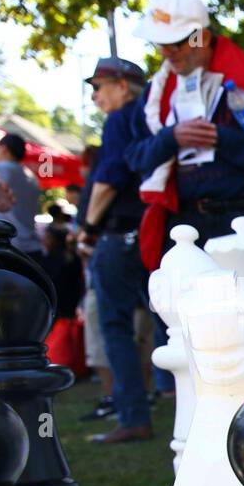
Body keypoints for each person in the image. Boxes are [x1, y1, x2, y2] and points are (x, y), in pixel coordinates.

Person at [126, 0, 244, 265]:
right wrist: (170, 138)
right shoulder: (156, 95)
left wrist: (222, 139)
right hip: (185, 227)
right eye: (160, 43)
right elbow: (134, 158)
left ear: (203, 37)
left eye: (175, 43)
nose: (166, 52)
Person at [78, 55, 164, 444]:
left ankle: (133, 416)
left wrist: (87, 228)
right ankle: (183, 402)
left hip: (119, 236)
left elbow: (109, 179)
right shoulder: (148, 119)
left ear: (121, 85)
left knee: (115, 326)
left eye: (98, 86)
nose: (95, 95)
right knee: (165, 323)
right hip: (148, 233)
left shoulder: (119, 120)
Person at [0, 133, 44, 258]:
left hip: (7, 249)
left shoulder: (1, 169)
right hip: (33, 249)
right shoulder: (32, 177)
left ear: (3, 148)